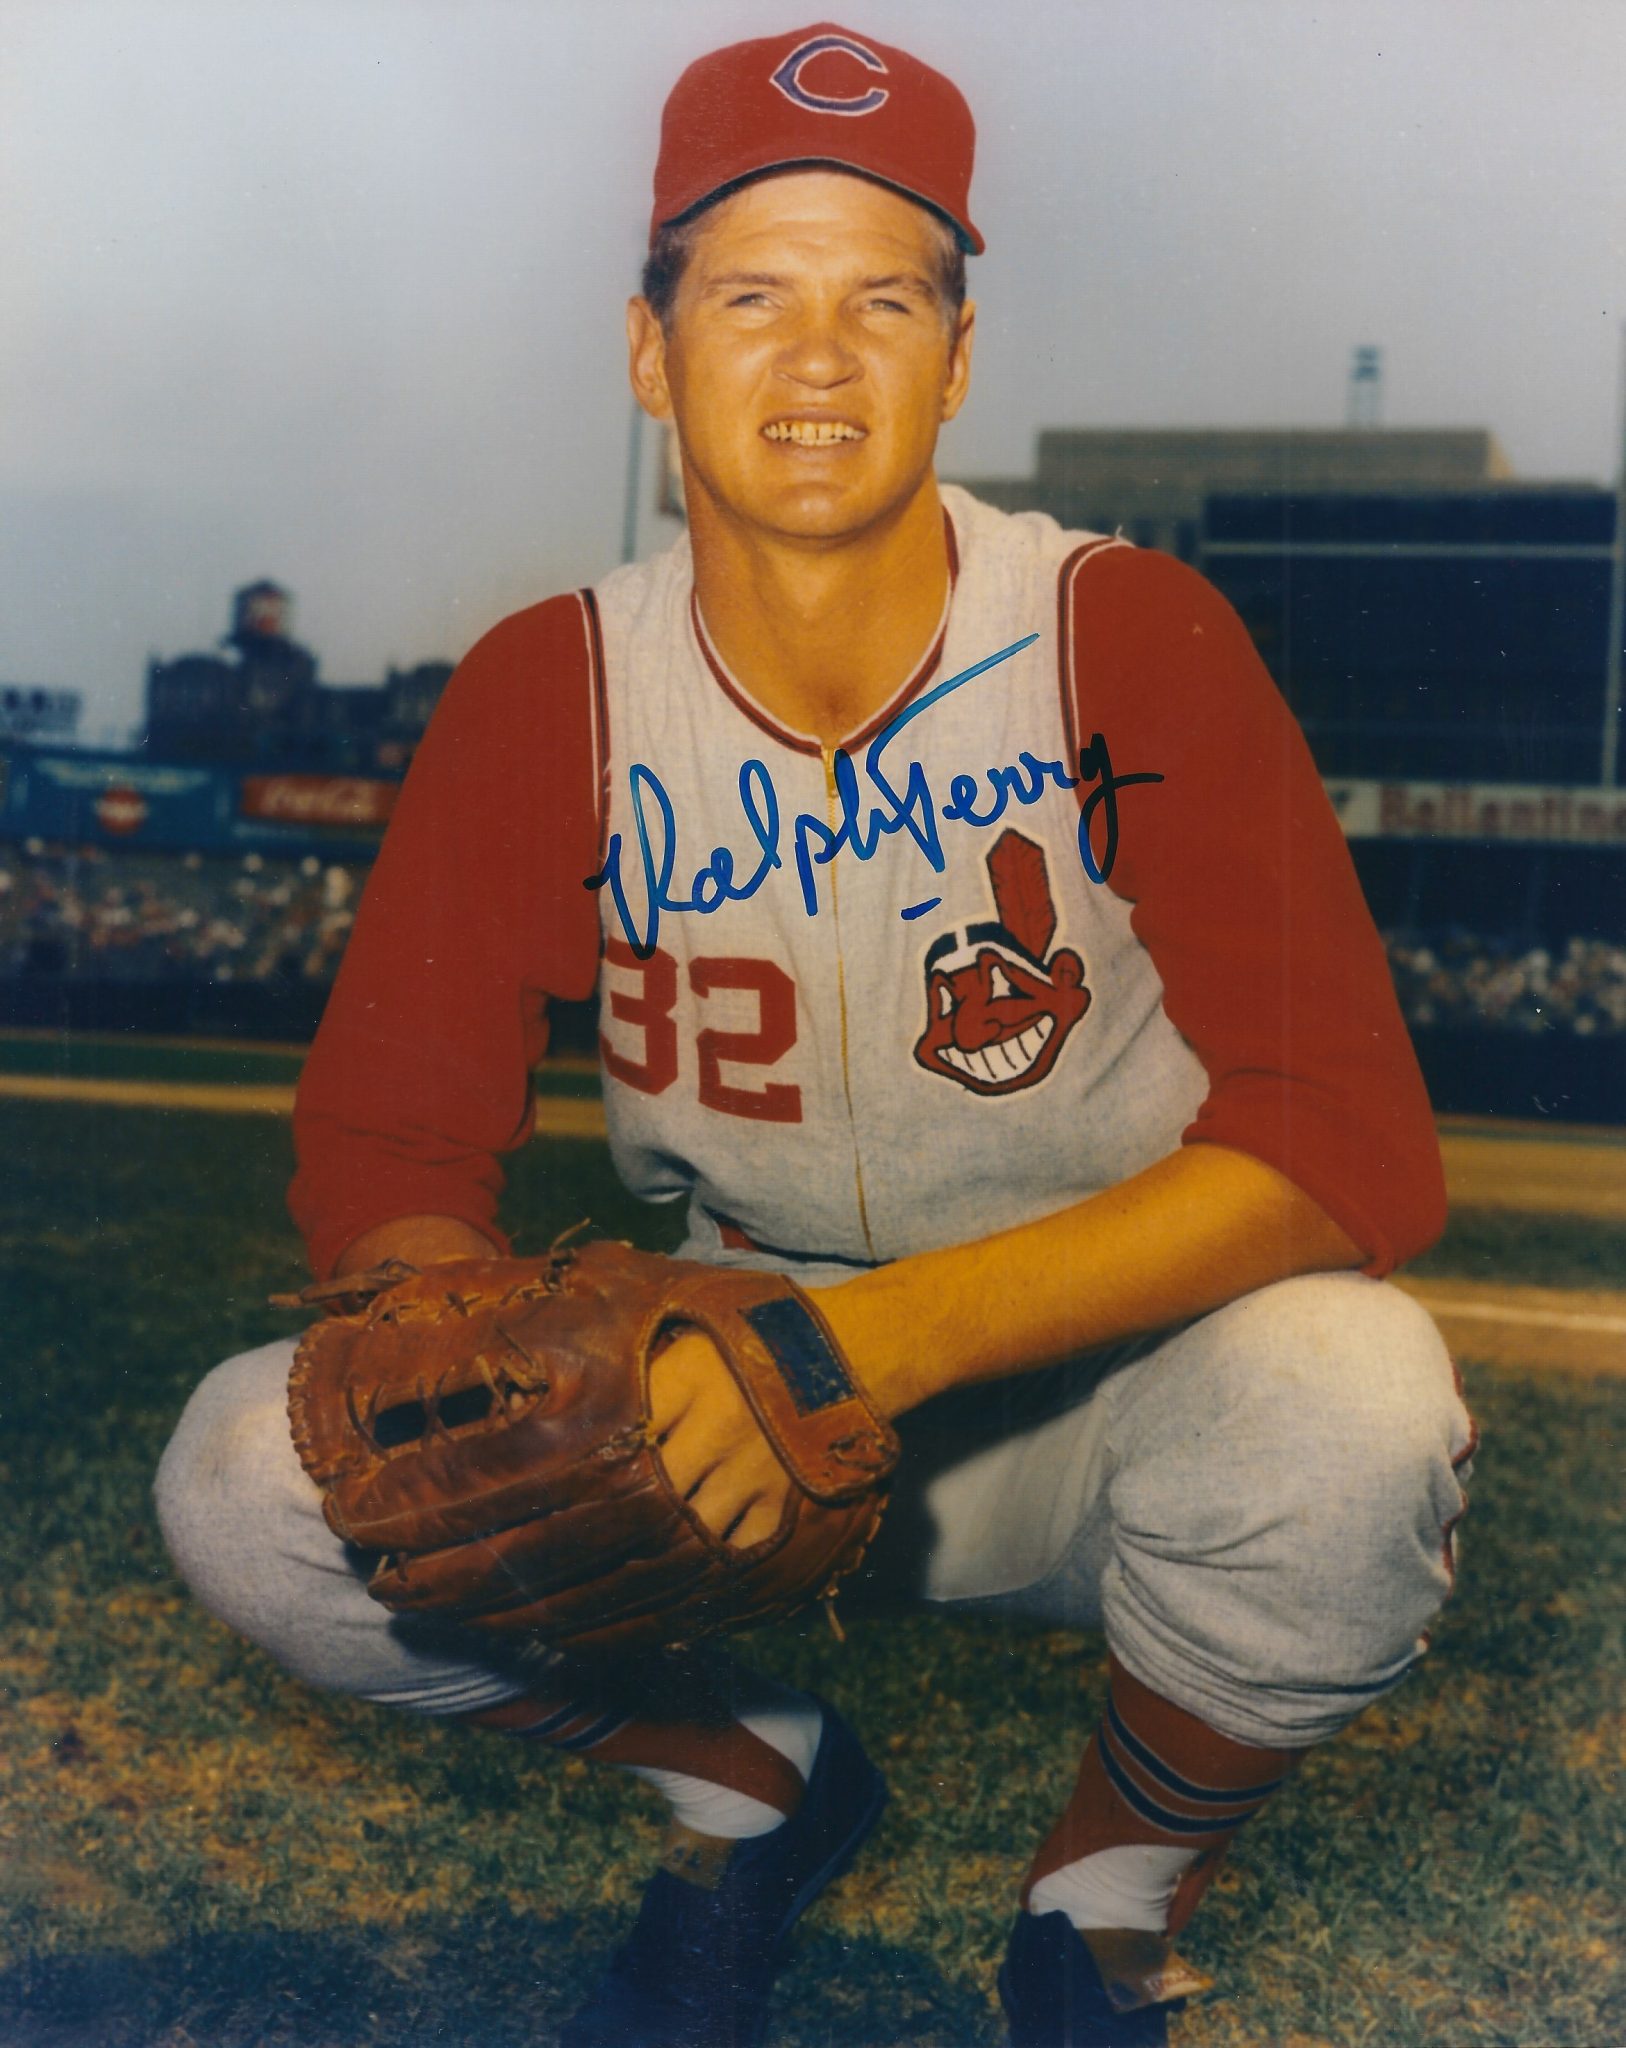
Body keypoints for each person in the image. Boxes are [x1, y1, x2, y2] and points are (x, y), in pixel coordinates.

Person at [155, 24, 1476, 2047]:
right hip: (701, 1407)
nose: (822, 359)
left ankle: (1107, 1890)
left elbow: (1348, 1145)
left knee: (1356, 1400)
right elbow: (392, 1148)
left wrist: (856, 1345)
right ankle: (751, 1776)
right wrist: (496, 1348)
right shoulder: (553, 689)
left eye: (888, 299)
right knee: (255, 1469)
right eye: (751, 294)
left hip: (1091, 1379)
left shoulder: (1128, 636)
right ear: (646, 347)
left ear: (959, 359)